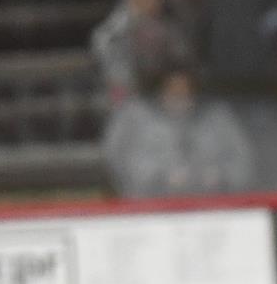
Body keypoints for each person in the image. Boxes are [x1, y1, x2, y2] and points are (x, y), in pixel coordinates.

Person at [102, 64, 256, 196]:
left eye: (185, 91)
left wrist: (221, 176)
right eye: (173, 90)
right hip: (150, 211)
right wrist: (162, 178)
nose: (179, 97)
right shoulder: (136, 119)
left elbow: (242, 160)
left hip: (215, 209)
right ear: (160, 91)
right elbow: (122, 164)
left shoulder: (218, 118)